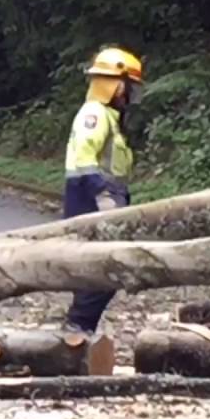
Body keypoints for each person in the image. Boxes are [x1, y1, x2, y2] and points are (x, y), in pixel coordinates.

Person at [61, 46, 144, 334]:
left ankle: (80, 331)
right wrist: (103, 197)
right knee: (102, 270)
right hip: (92, 198)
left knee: (103, 270)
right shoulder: (94, 114)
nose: (131, 94)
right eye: (129, 87)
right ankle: (76, 329)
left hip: (105, 195)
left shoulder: (108, 117)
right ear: (116, 85)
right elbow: (84, 156)